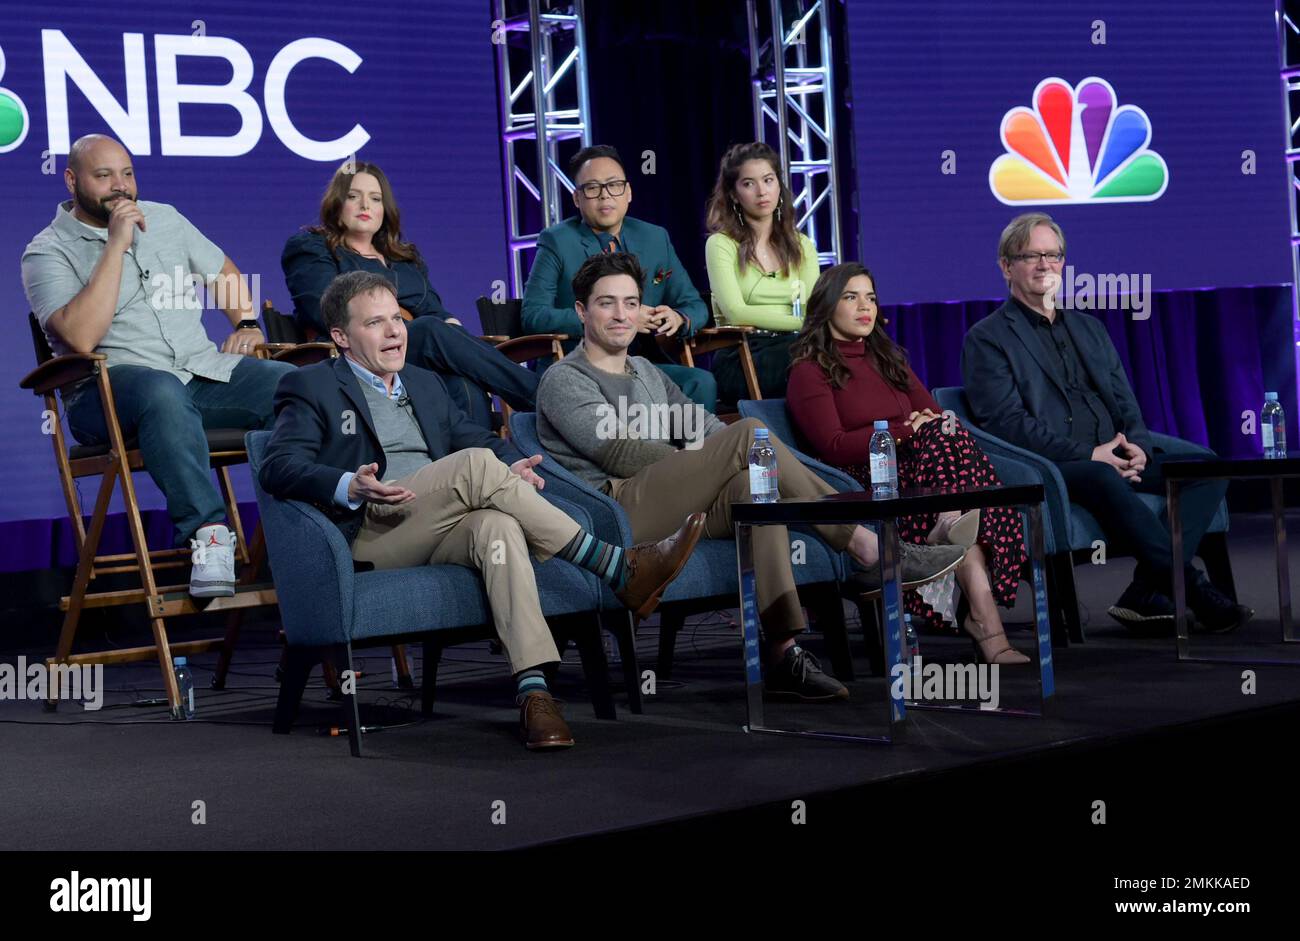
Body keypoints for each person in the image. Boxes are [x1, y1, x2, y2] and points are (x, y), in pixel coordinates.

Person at [258, 271, 706, 750]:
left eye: (397, 318)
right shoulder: (310, 387)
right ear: (341, 338)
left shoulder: (425, 384)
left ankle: (534, 693)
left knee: (497, 527)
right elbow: (278, 466)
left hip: (437, 522)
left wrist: (517, 465)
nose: (394, 332)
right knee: (475, 467)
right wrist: (351, 484)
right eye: (375, 323)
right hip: (375, 530)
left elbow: (478, 438)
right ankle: (614, 565)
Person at [536, 252, 968, 702]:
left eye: (631, 303)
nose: (622, 315)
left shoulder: (645, 371)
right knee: (748, 437)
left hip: (668, 490)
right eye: (607, 304)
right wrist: (710, 458)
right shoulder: (565, 378)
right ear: (582, 311)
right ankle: (867, 546)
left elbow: (702, 427)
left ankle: (783, 652)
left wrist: (723, 460)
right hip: (619, 510)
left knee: (755, 486)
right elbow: (619, 452)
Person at [21, 134, 294, 599]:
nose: (120, 187)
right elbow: (81, 336)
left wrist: (247, 322)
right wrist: (116, 245)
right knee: (161, 390)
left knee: (291, 387)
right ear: (70, 180)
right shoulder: (46, 251)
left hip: (200, 375)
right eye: (103, 175)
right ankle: (208, 536)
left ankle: (304, 533)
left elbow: (222, 270)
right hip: (106, 394)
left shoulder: (165, 217)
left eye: (126, 173)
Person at [961, 212, 1252, 633]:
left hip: (1114, 452)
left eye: (1053, 255)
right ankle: (1192, 588)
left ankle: (1147, 591)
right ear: (1006, 266)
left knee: (1207, 470)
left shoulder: (1089, 327)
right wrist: (1088, 454)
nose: (1045, 264)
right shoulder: (987, 338)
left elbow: (1123, 400)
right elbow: (1006, 424)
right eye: (1031, 256)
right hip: (1057, 464)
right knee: (1100, 476)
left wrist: (1138, 447)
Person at [788, 263, 1029, 663]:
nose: (864, 306)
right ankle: (986, 622)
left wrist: (921, 428)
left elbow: (934, 414)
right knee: (941, 448)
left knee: (947, 433)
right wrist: (903, 431)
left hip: (924, 472)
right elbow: (832, 446)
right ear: (826, 306)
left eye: (870, 296)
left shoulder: (888, 359)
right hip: (867, 479)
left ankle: (950, 528)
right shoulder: (810, 371)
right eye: (851, 297)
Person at [282, 161, 538, 431]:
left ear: (385, 209)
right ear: (336, 203)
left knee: (465, 385)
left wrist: (456, 337)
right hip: (360, 353)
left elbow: (436, 312)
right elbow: (326, 308)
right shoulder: (312, 247)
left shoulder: (404, 258)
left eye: (375, 199)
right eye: (353, 196)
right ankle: (540, 397)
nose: (365, 206)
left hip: (413, 359)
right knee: (428, 329)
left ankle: (475, 467)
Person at [521, 144, 718, 411]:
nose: (605, 197)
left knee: (700, 383)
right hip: (583, 366)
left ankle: (688, 454)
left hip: (643, 364)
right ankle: (650, 453)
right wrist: (620, 319)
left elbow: (693, 304)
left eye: (614, 185)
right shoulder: (557, 241)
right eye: (592, 188)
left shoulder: (655, 237)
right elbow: (533, 316)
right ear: (577, 198)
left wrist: (678, 318)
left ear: (628, 193)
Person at [704, 141, 821, 404]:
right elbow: (736, 312)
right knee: (816, 361)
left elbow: (813, 307)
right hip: (742, 353)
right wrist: (806, 325)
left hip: (796, 346)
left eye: (768, 180)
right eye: (748, 184)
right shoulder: (720, 245)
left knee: (860, 354)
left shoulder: (802, 245)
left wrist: (812, 325)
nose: (761, 192)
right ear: (733, 194)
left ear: (779, 184)